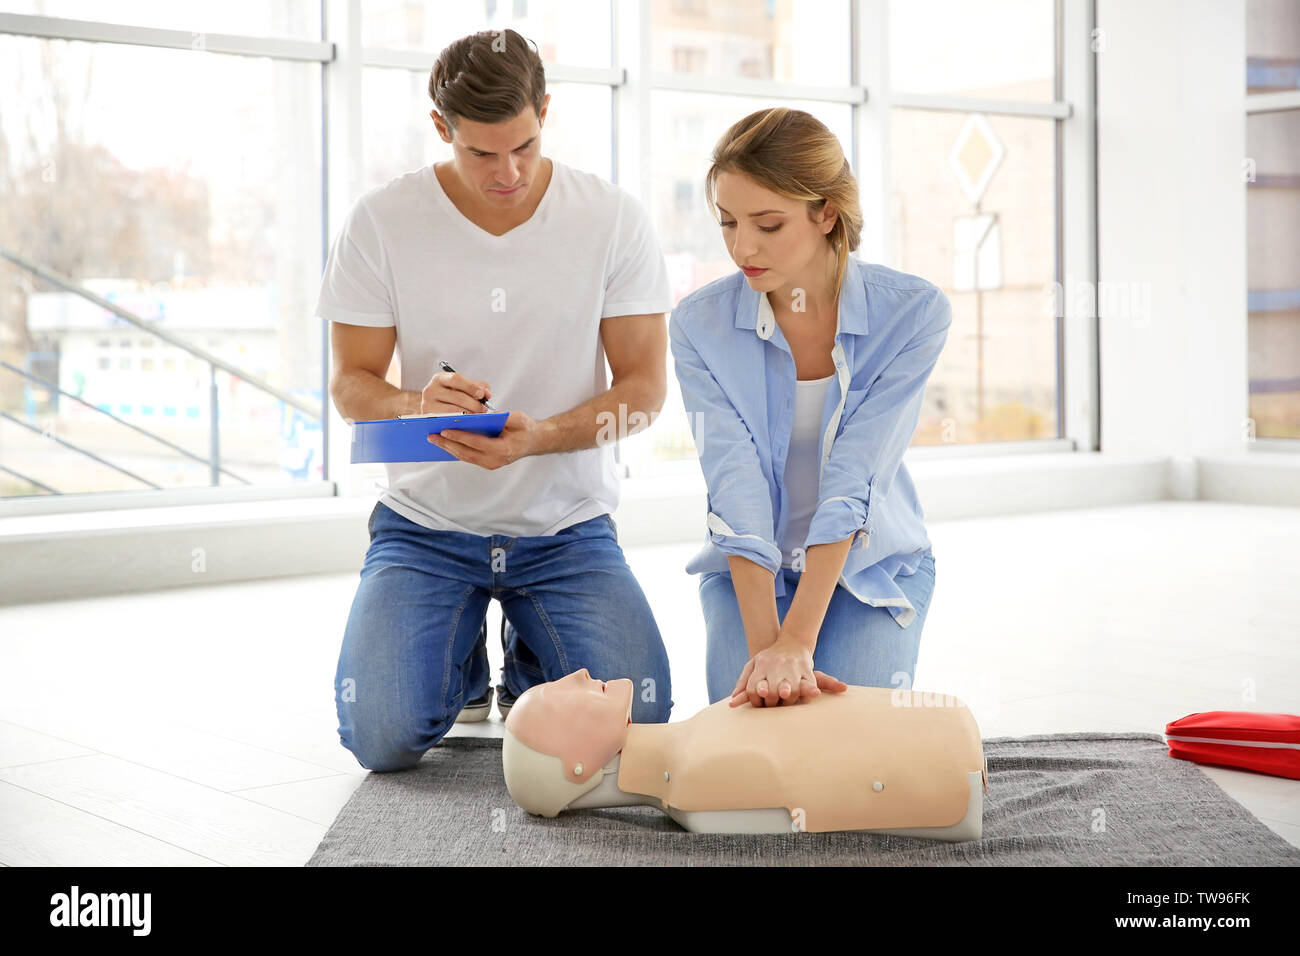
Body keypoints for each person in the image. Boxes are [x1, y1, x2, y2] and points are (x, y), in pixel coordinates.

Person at [318, 29, 674, 772]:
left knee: (638, 717)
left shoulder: (612, 217)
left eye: (526, 145)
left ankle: (530, 658)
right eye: (482, 153)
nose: (508, 172)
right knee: (381, 736)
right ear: (441, 128)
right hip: (426, 528)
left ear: (545, 111)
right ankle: (461, 672)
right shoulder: (381, 222)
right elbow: (351, 384)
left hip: (566, 529)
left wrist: (537, 437)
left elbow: (643, 392)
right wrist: (417, 404)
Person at [668, 107, 951, 709]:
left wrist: (798, 639)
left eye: (768, 224)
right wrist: (771, 649)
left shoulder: (913, 313)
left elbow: (857, 476)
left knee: (848, 756)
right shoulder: (699, 324)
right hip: (750, 574)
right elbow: (733, 480)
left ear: (826, 212)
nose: (743, 247)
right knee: (754, 749)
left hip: (867, 569)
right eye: (727, 223)